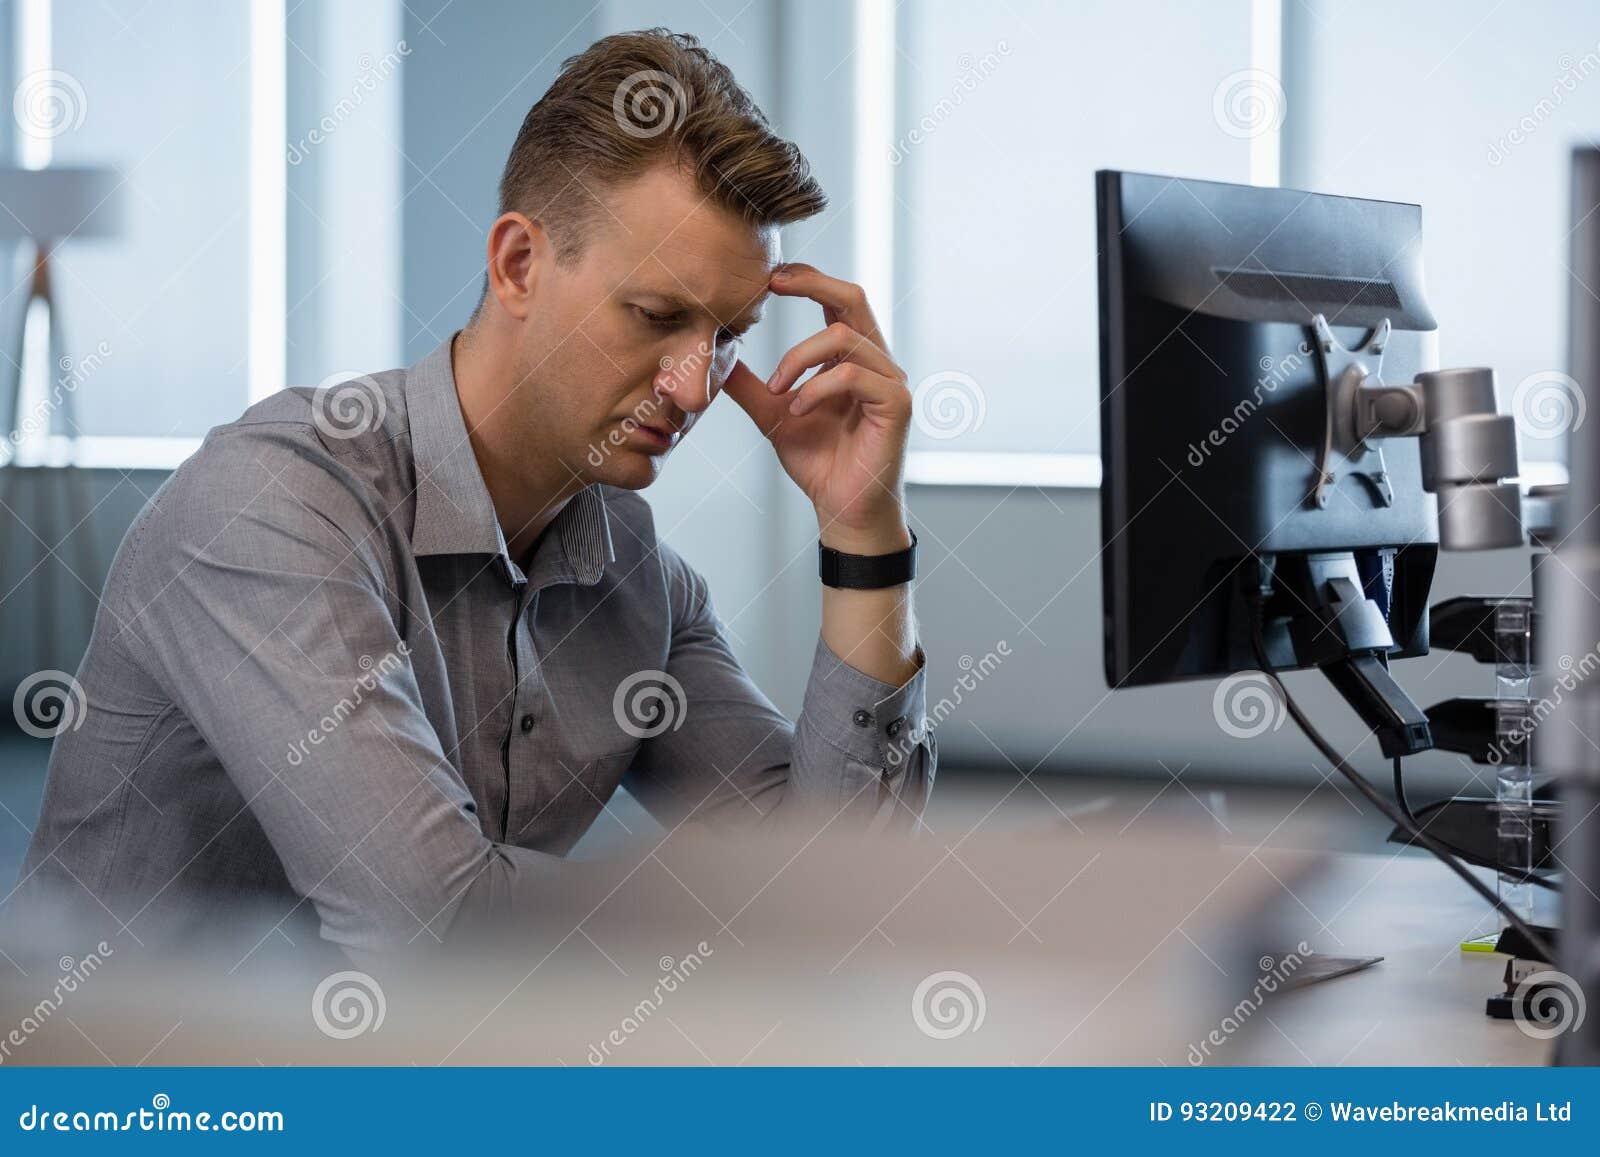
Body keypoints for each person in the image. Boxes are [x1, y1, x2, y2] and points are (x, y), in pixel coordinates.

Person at [8, 28, 934, 961]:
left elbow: (834, 888)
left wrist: (865, 531)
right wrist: (730, 928)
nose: (697, 387)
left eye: (727, 333)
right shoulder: (270, 505)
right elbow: (433, 925)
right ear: (519, 265)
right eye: (656, 317)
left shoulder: (639, 582)